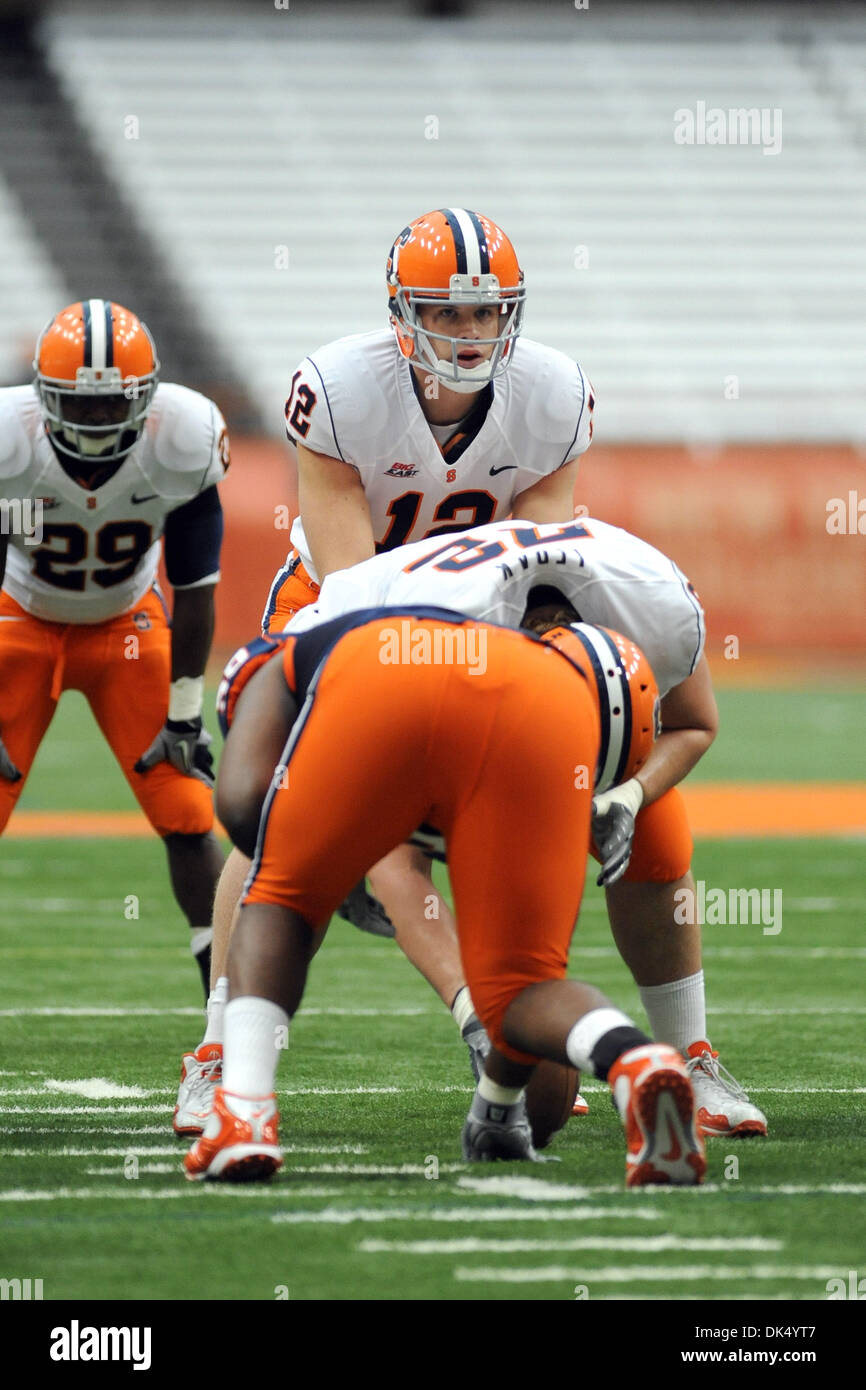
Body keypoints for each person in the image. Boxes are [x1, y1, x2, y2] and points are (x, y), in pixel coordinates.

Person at [174, 207, 596, 1130]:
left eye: (489, 314)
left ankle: (502, 1020)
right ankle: (216, 1051)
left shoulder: (554, 391)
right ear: (403, 313)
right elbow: (353, 580)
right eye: (448, 312)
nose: (472, 333)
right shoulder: (339, 388)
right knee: (270, 827)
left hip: (486, 615)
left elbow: (545, 569)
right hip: (332, 605)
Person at [266, 517, 770, 1140]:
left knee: (658, 832)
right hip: (363, 678)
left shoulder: (653, 600)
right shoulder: (408, 641)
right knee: (281, 865)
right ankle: (232, 1073)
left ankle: (687, 1059)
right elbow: (396, 859)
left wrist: (630, 793)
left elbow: (693, 723)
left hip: (486, 678)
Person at [185, 606, 705, 1188]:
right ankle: (635, 1058)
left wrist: (319, 866)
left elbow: (239, 809)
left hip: (385, 670)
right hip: (547, 697)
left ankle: (244, 1114)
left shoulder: (275, 662)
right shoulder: (513, 618)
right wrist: (500, 1105)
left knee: (280, 889)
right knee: (524, 985)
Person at [0, 299, 227, 997]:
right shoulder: (10, 441)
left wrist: (186, 711)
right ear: (44, 396)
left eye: (113, 404)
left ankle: (227, 1030)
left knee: (188, 813)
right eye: (80, 404)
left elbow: (195, 588)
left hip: (128, 626)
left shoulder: (184, 438)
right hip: (18, 620)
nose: (98, 419)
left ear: (147, 397)